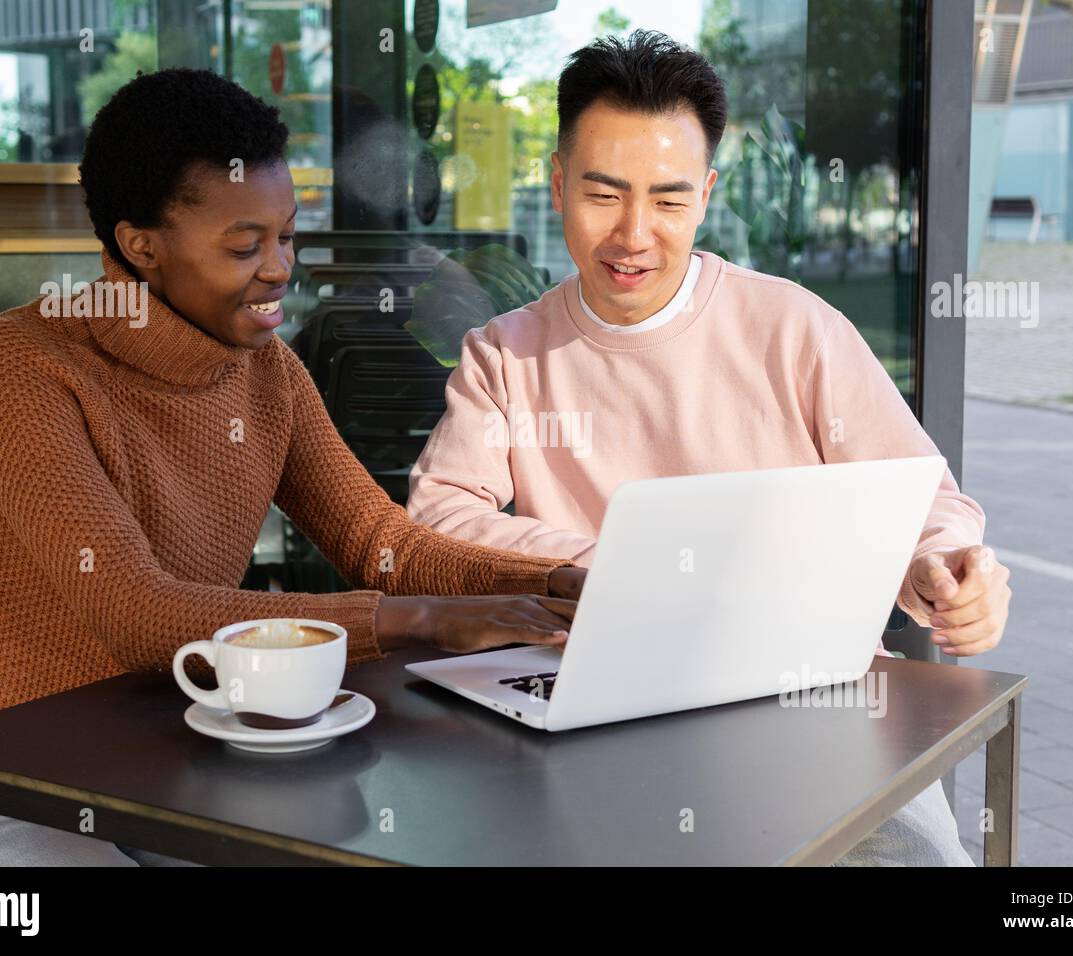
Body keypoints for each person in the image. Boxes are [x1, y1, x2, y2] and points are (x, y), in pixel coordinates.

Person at [0, 68, 585, 867]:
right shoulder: (15, 364)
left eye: (285, 234)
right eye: (244, 245)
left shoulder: (268, 372)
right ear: (139, 246)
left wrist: (545, 580)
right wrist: (419, 618)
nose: (281, 267)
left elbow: (373, 538)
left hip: (177, 761)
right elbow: (136, 611)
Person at [406, 31, 1012, 866]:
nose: (632, 233)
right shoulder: (505, 353)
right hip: (603, 705)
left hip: (810, 704)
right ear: (555, 183)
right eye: (603, 193)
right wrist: (631, 559)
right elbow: (437, 517)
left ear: (707, 195)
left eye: (667, 199)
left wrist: (945, 569)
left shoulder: (795, 327)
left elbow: (928, 502)